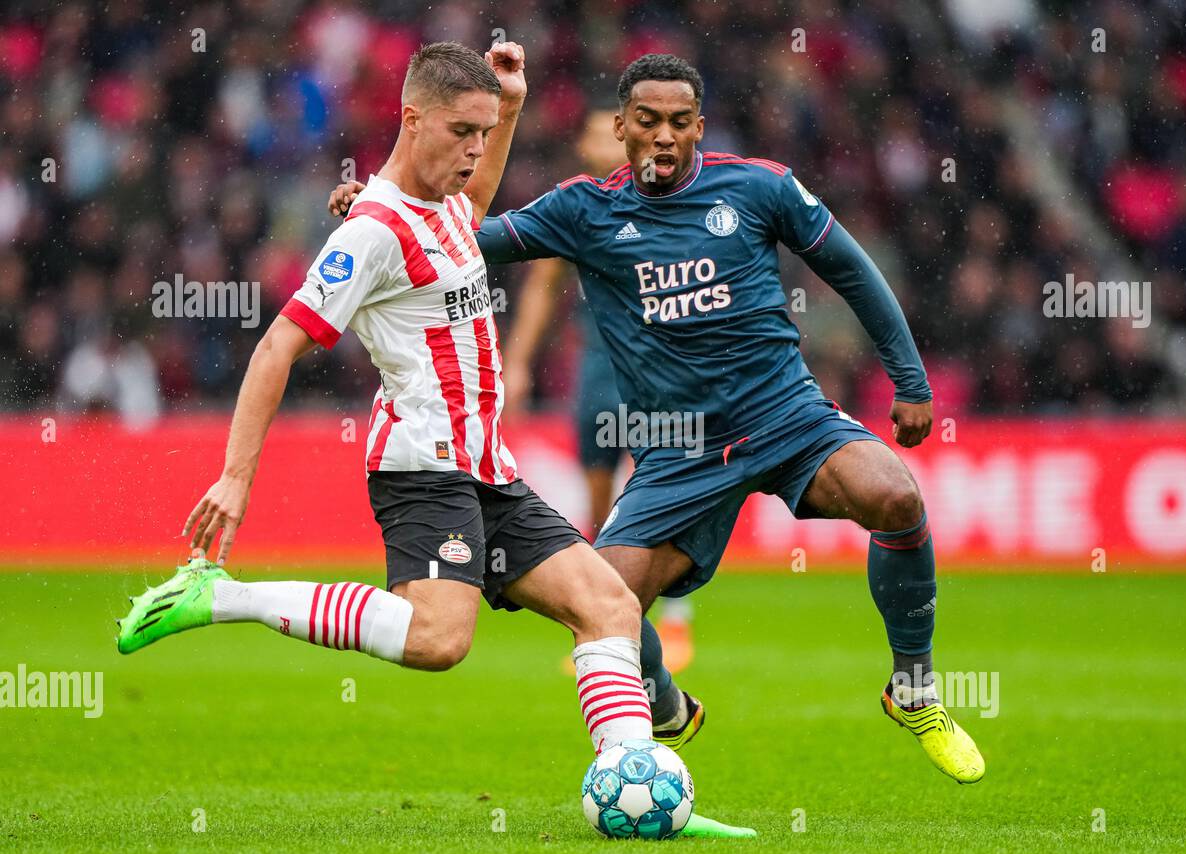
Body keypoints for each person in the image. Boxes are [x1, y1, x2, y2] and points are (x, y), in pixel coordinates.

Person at [332, 53, 984, 783]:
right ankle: (666, 703)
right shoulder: (583, 209)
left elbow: (851, 269)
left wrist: (909, 378)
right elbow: (459, 243)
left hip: (787, 418)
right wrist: (378, 206)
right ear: (622, 128)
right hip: (679, 453)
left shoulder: (759, 186)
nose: (664, 136)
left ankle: (914, 686)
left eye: (680, 122)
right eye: (647, 122)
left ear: (699, 126)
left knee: (894, 494)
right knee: (603, 597)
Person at [117, 42, 659, 764]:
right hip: (423, 468)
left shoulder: (446, 208)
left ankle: (638, 784)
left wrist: (513, 106)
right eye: (462, 132)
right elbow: (277, 346)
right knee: (439, 640)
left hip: (487, 468)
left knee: (611, 606)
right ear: (411, 119)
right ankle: (220, 597)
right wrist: (234, 477)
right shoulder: (371, 232)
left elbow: (475, 202)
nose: (475, 150)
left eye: (483, 133)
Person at [502, 105, 696, 677]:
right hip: (597, 369)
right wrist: (517, 362)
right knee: (597, 499)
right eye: (588, 133)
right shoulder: (582, 211)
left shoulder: (671, 206)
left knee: (661, 489)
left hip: (661, 370)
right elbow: (541, 288)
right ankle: (606, 624)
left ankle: (675, 624)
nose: (599, 143)